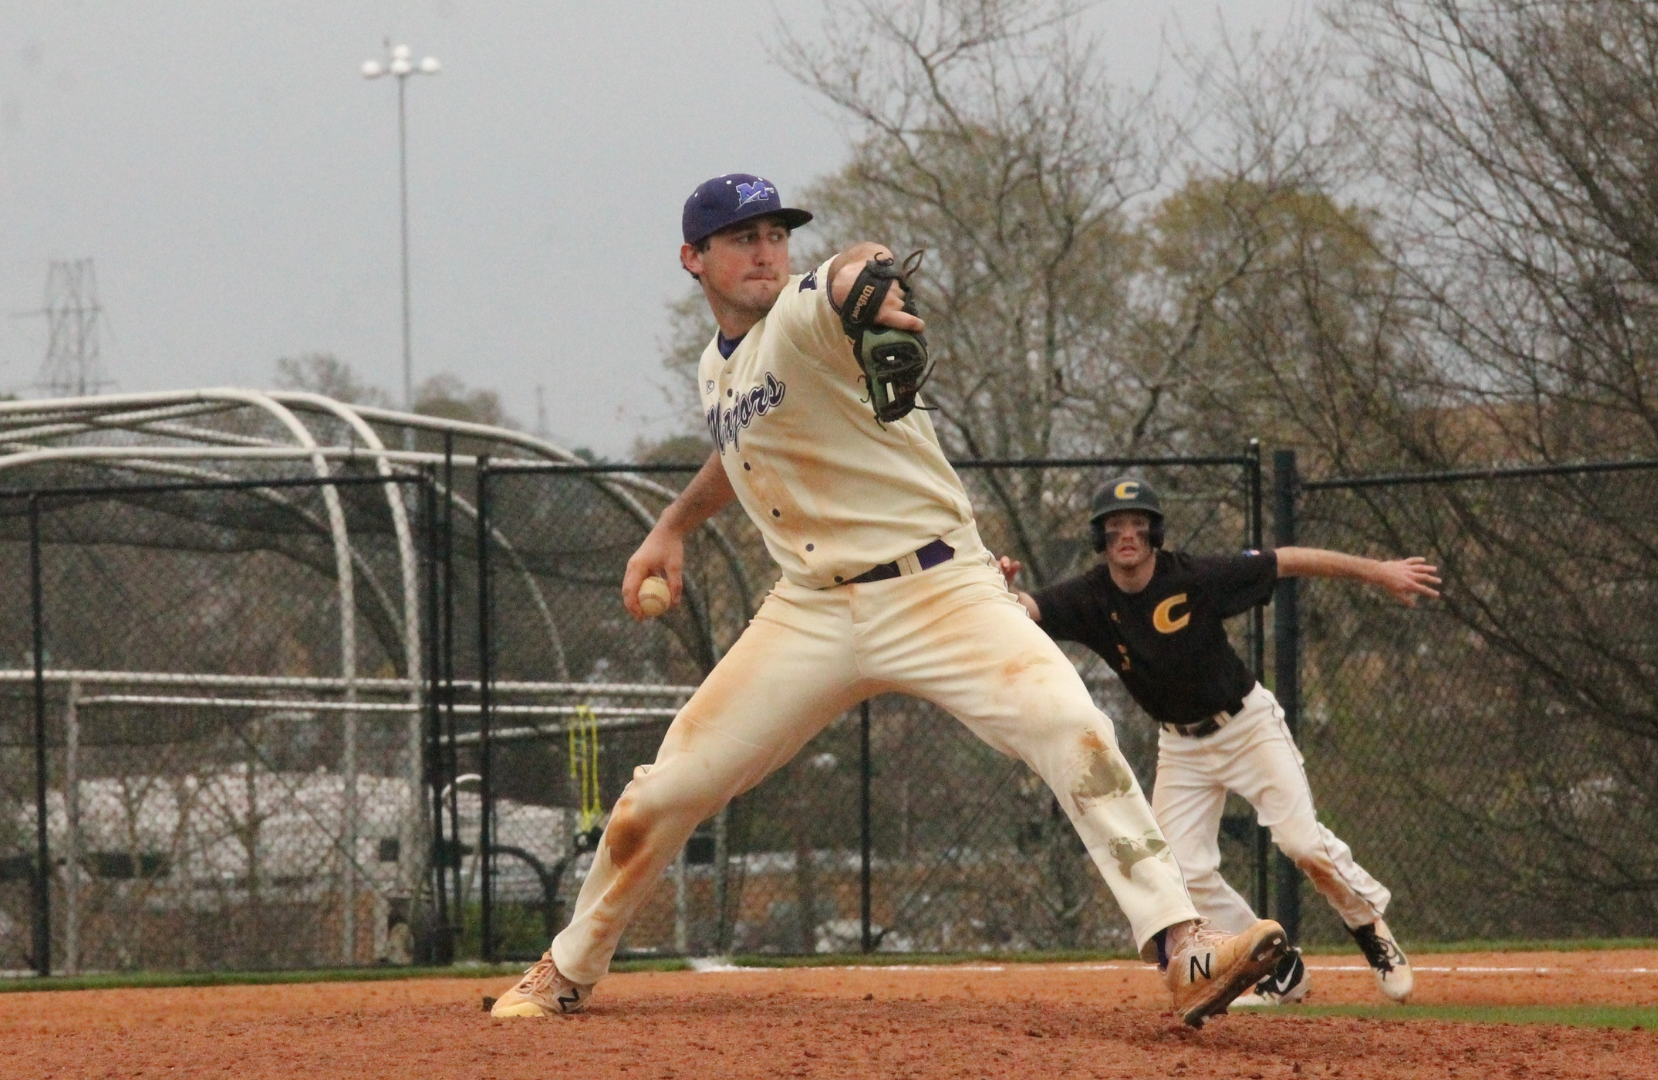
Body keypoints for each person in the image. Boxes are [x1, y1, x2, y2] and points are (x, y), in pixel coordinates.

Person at [489, 174, 1288, 1025]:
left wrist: (870, 287)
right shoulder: (716, 369)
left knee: (1072, 727)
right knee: (663, 793)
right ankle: (566, 970)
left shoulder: (802, 311)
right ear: (694, 259)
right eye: (741, 237)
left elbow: (851, 269)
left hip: (941, 588)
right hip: (811, 610)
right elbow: (742, 449)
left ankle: (1183, 946)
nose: (764, 250)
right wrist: (673, 526)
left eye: (775, 234)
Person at [998, 477, 1439, 1005]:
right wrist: (999, 589)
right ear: (1101, 539)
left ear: (1155, 533)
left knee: (1302, 844)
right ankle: (1276, 963)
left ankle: (1369, 928)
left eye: (1138, 525)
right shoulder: (1092, 597)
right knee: (1177, 874)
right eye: (1115, 529)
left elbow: (1287, 559)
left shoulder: (1195, 576)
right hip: (1181, 747)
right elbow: (1027, 611)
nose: (1127, 537)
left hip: (1246, 726)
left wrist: (1378, 571)